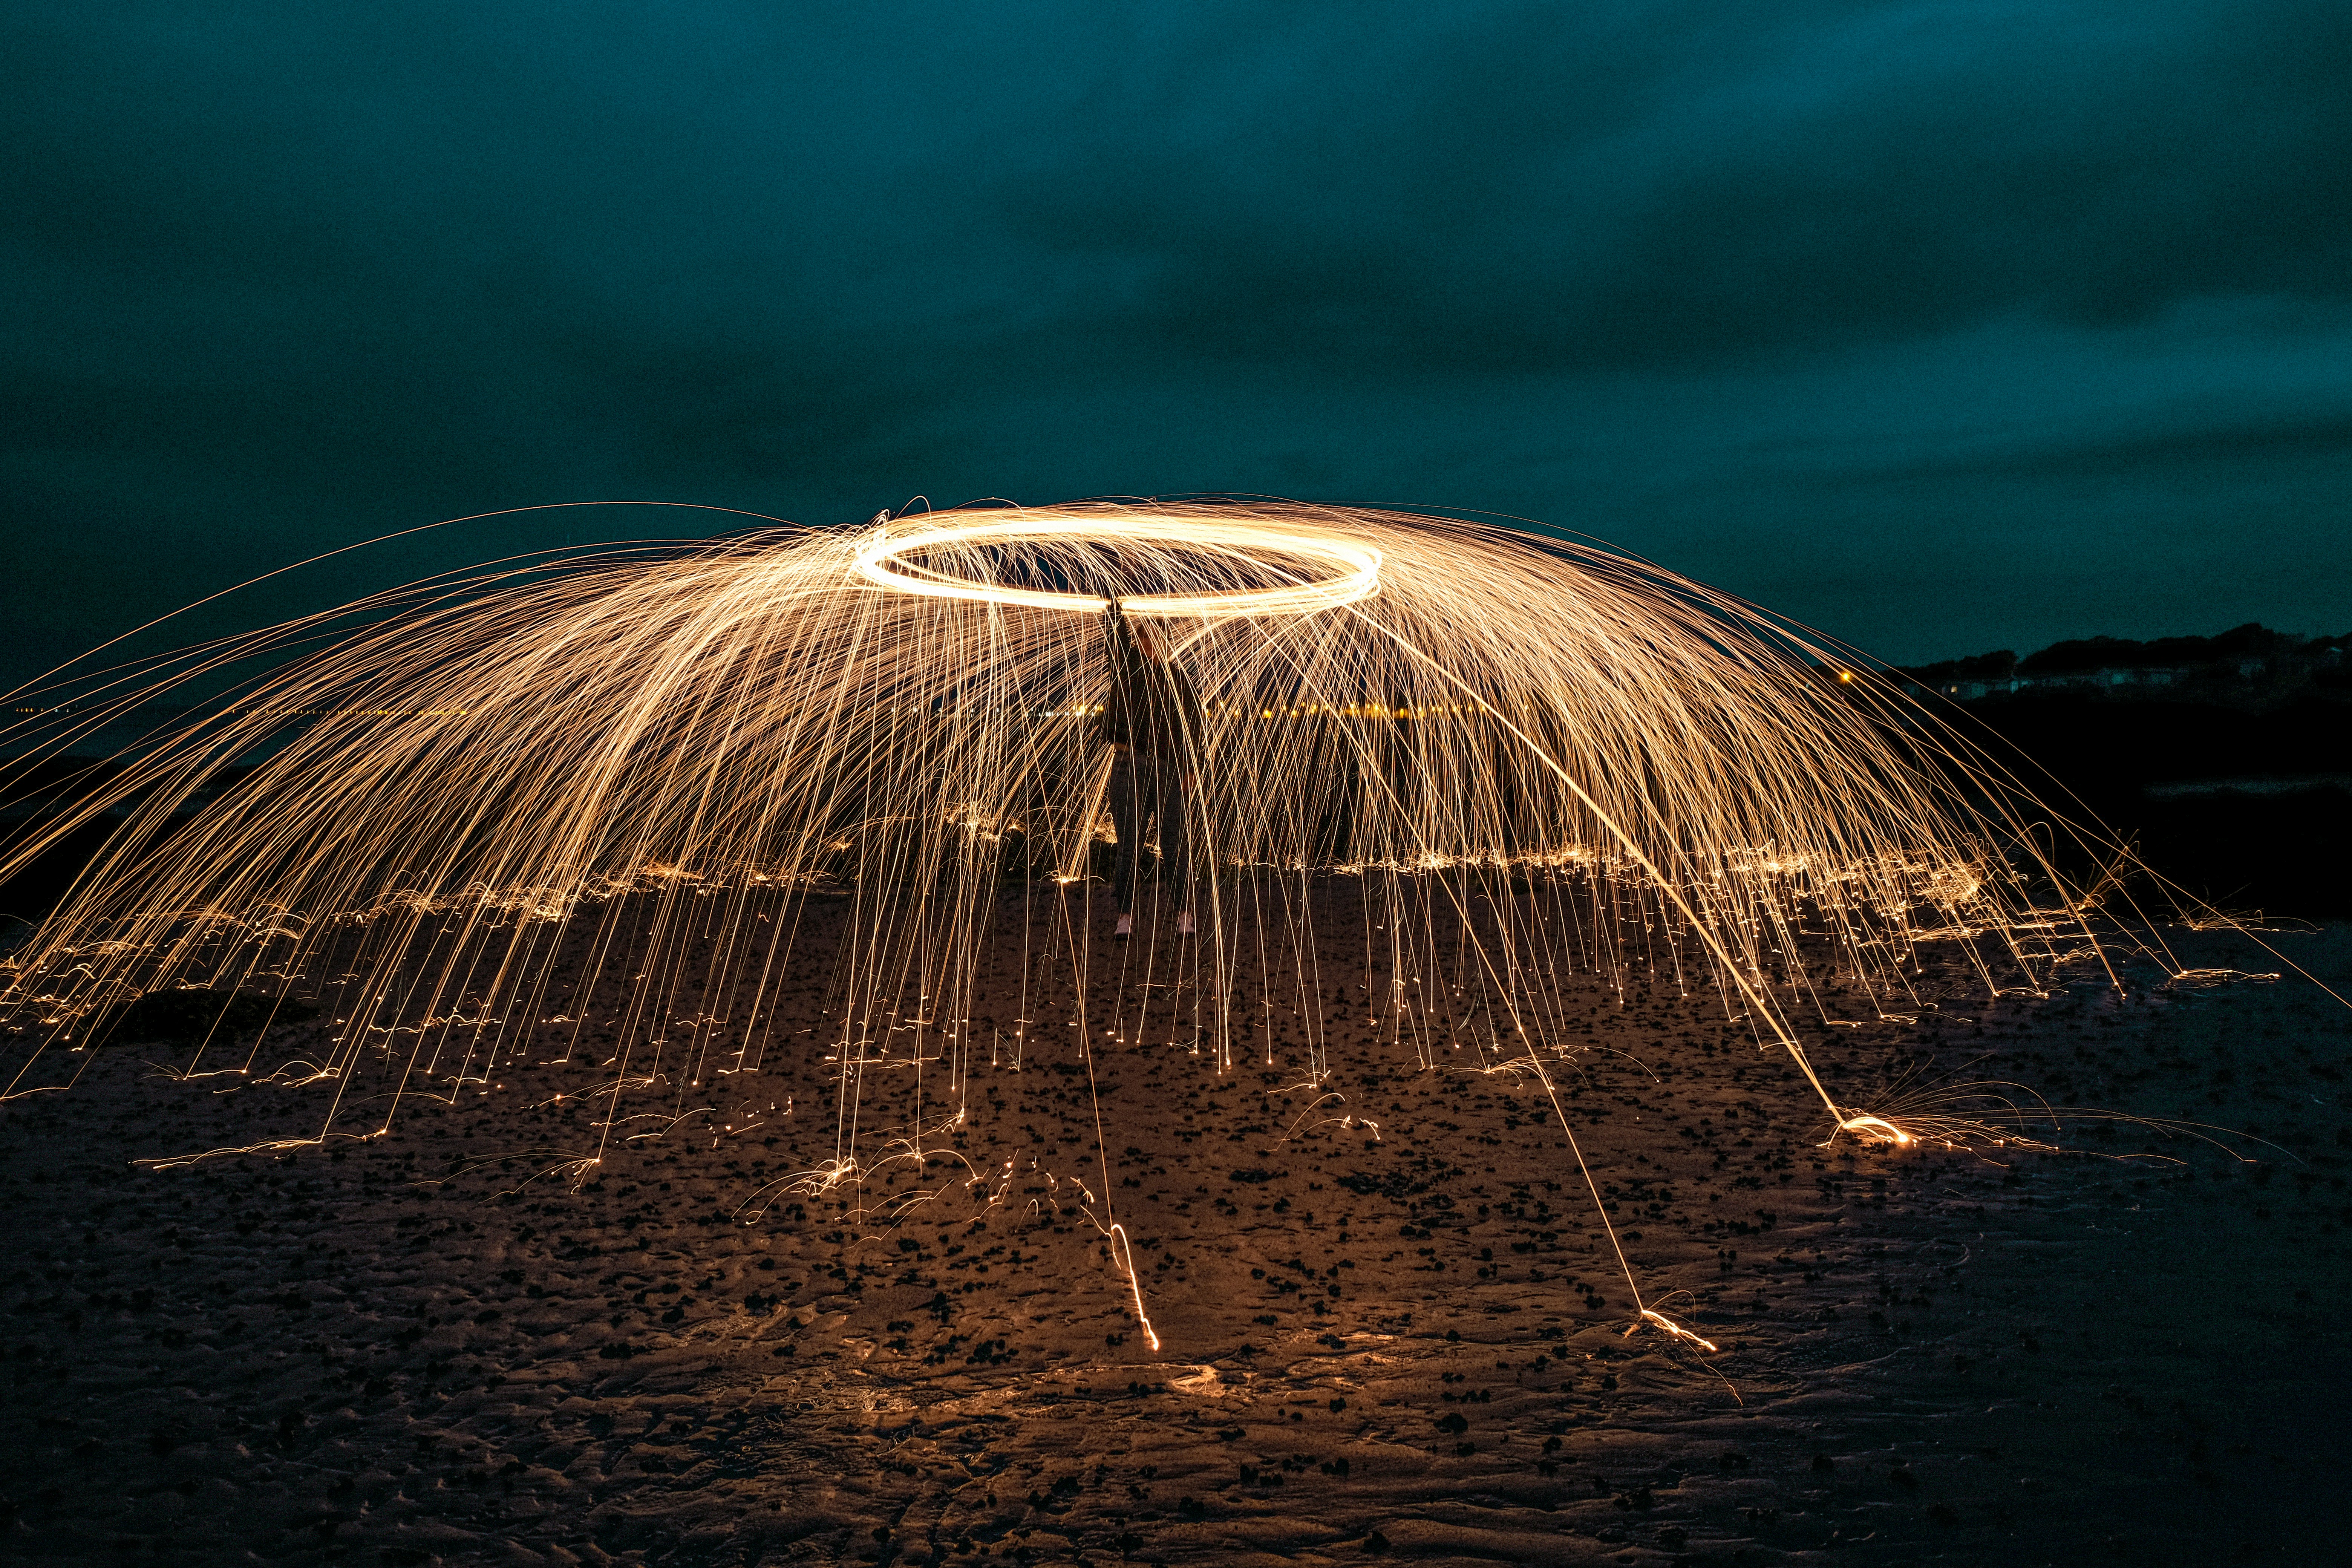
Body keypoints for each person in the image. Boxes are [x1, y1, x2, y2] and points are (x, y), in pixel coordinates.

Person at [1095, 602, 1204, 939]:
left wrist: (1191, 768)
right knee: (1129, 846)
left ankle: (1184, 914)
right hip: (1129, 764)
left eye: (1157, 639)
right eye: (1145, 638)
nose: (1151, 644)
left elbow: (1192, 727)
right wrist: (1115, 597)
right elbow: (1115, 633)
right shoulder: (1127, 668)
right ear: (1138, 642)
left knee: (1175, 847)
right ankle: (1125, 918)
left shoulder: (1180, 681)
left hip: (1169, 769)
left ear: (1167, 644)